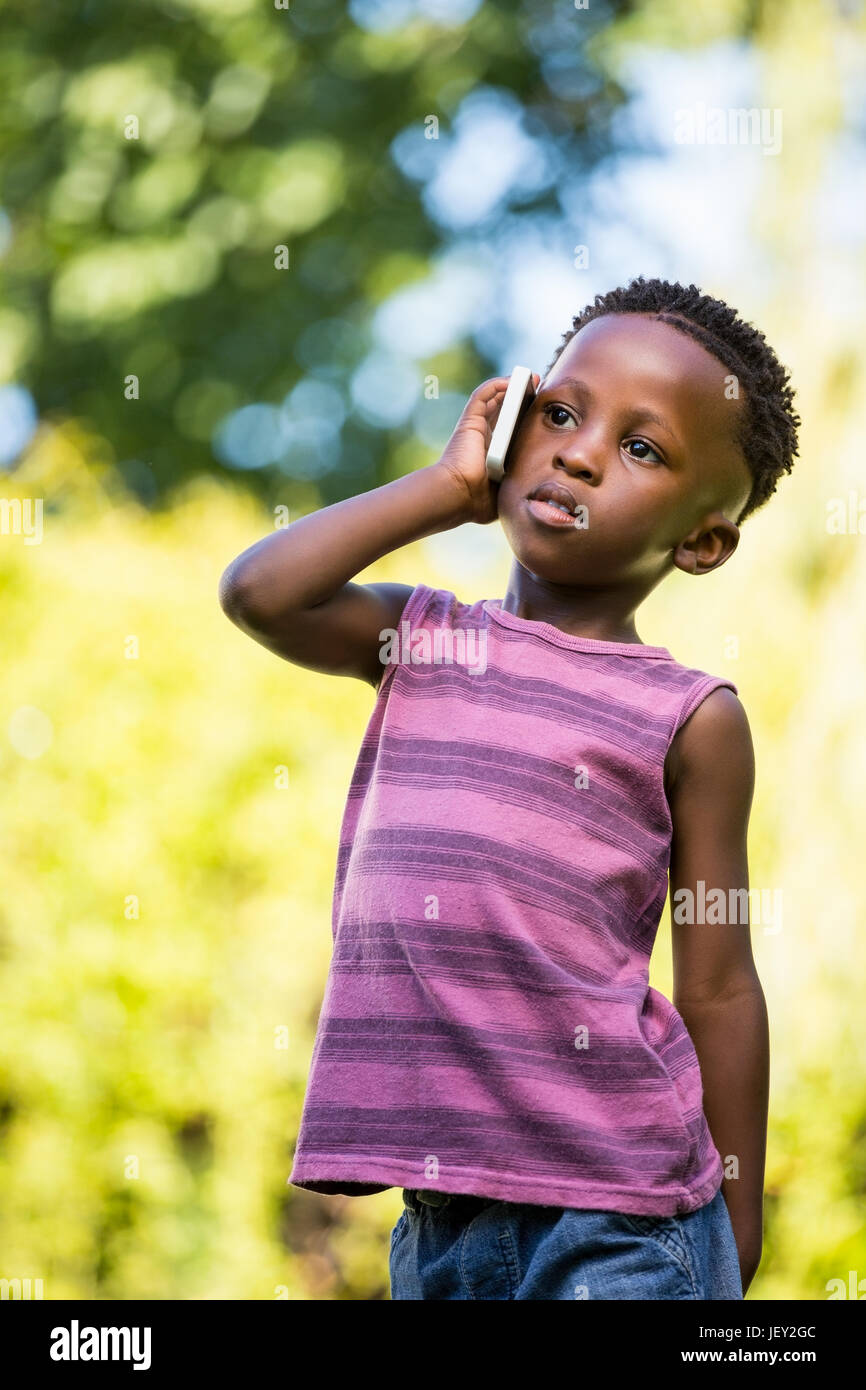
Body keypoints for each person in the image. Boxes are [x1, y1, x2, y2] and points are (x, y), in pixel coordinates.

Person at [219, 277, 799, 1300]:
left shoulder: (692, 718)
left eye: (640, 448)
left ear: (701, 539)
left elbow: (715, 983)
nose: (576, 452)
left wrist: (736, 1222)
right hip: (439, 1219)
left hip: (616, 1217)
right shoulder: (420, 637)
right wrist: (442, 490)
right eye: (561, 412)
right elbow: (260, 592)